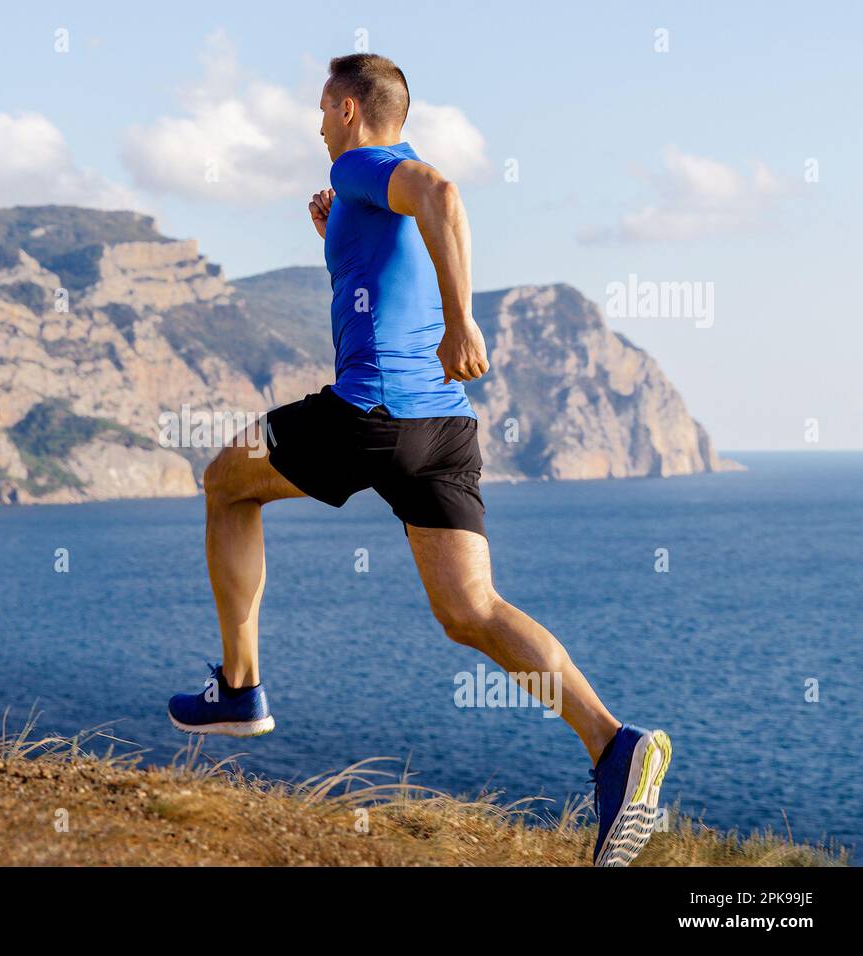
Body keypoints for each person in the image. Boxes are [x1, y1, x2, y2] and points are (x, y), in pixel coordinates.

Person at [167, 53, 672, 867]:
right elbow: (399, 235)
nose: (313, 122)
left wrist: (461, 321)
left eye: (319, 108)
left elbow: (441, 192)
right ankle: (616, 747)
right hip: (444, 430)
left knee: (226, 484)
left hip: (373, 412)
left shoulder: (375, 162)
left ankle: (239, 686)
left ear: (344, 109)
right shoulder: (364, 188)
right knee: (470, 611)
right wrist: (337, 227)